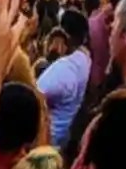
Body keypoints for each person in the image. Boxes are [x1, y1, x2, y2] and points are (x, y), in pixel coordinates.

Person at [36, 8, 91, 146]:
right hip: (63, 137)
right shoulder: (84, 58)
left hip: (47, 141)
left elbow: (33, 98)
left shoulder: (62, 70)